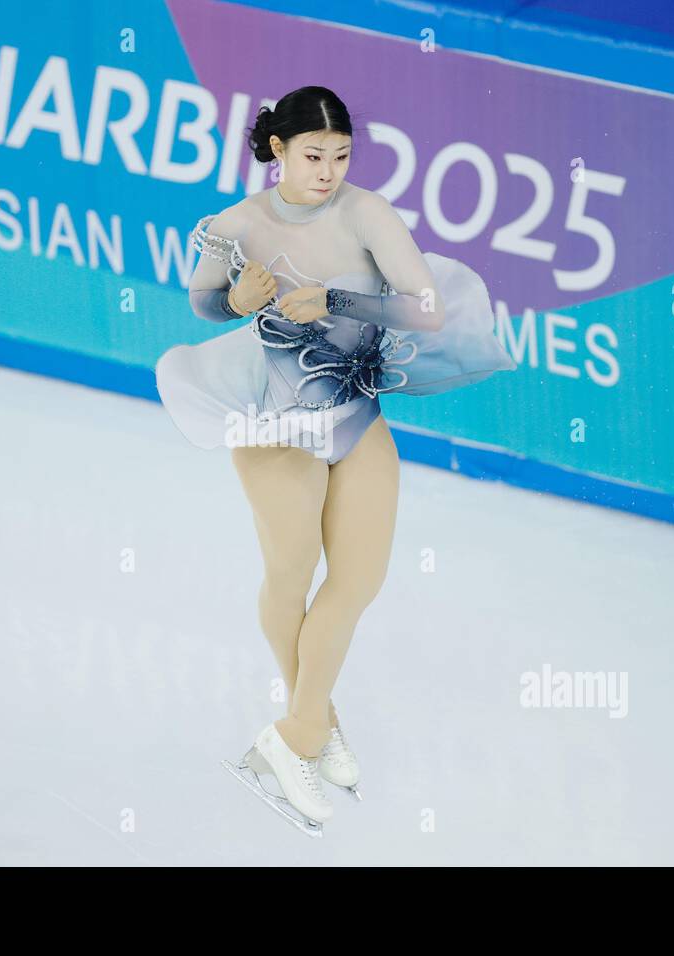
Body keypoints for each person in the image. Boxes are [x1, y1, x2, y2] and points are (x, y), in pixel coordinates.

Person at [155, 86, 515, 834]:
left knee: (359, 579)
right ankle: (307, 724)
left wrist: (342, 306)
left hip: (353, 409)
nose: (328, 170)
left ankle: (295, 732)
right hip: (272, 415)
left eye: (341, 155)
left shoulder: (366, 213)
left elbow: (428, 309)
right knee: (292, 571)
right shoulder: (236, 224)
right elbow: (203, 301)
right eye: (313, 155)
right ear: (278, 149)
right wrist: (236, 298)